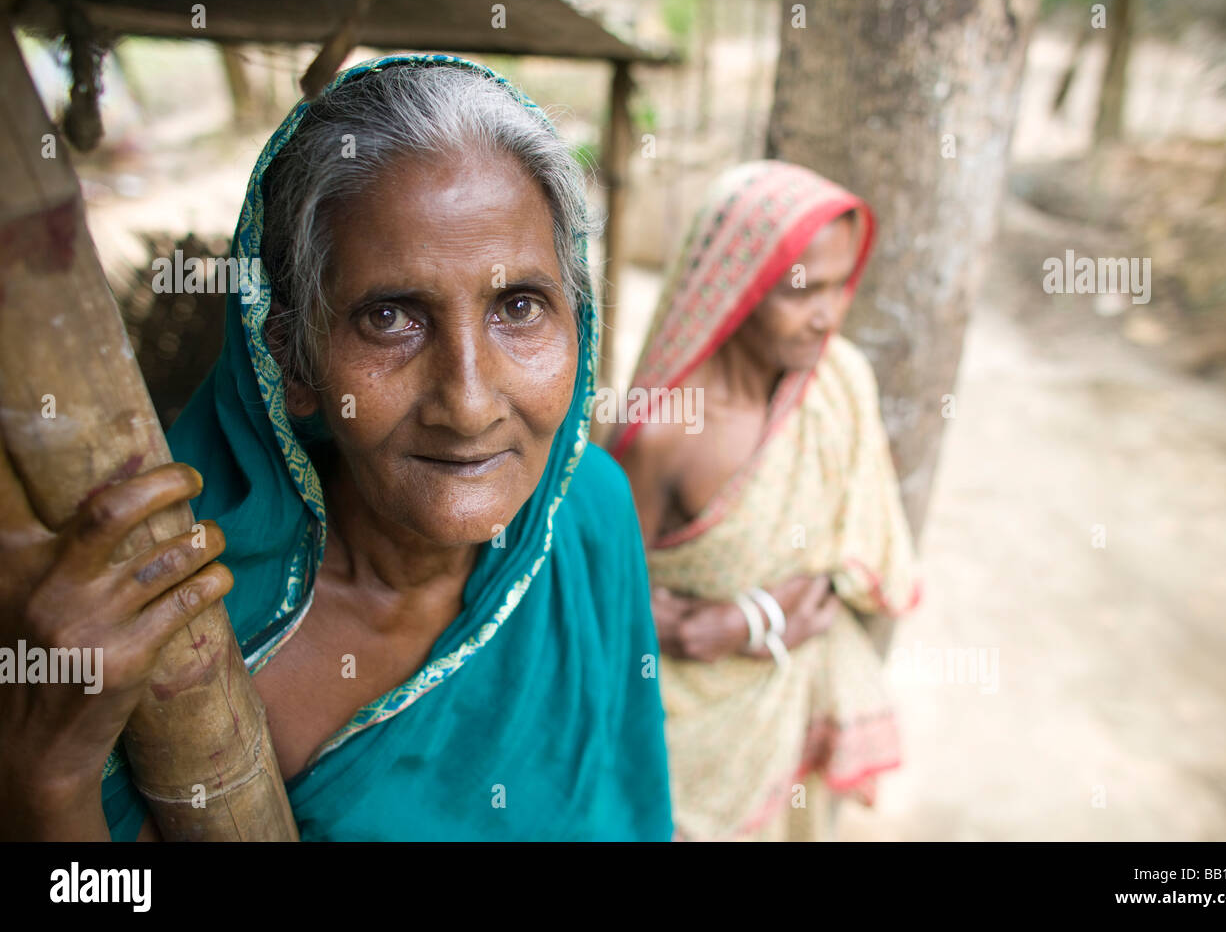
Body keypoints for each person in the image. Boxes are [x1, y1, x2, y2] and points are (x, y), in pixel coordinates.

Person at [0, 55, 672, 841]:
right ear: (290, 360)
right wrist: (48, 780)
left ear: (577, 325)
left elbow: (633, 806)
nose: (468, 401)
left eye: (518, 306)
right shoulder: (172, 620)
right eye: (391, 317)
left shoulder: (589, 511)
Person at [611, 160, 922, 841]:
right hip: (684, 736)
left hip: (786, 715)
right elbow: (601, 609)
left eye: (841, 287)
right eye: (801, 291)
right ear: (735, 287)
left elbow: (858, 547)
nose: (826, 316)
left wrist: (752, 617)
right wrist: (711, 628)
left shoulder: (838, 382)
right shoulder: (666, 433)